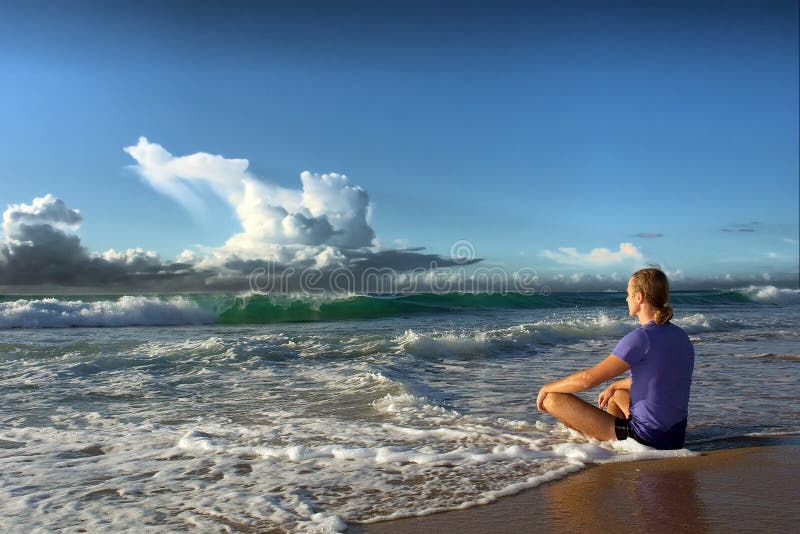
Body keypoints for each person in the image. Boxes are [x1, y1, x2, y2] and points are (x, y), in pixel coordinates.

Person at [536, 267, 694, 449]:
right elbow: (660, 379)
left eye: (628, 294)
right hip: (675, 437)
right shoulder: (681, 336)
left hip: (647, 438)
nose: (626, 299)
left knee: (552, 399)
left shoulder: (641, 337)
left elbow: (587, 380)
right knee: (617, 395)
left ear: (639, 297)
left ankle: (607, 442)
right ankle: (612, 440)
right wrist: (614, 386)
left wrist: (546, 387)